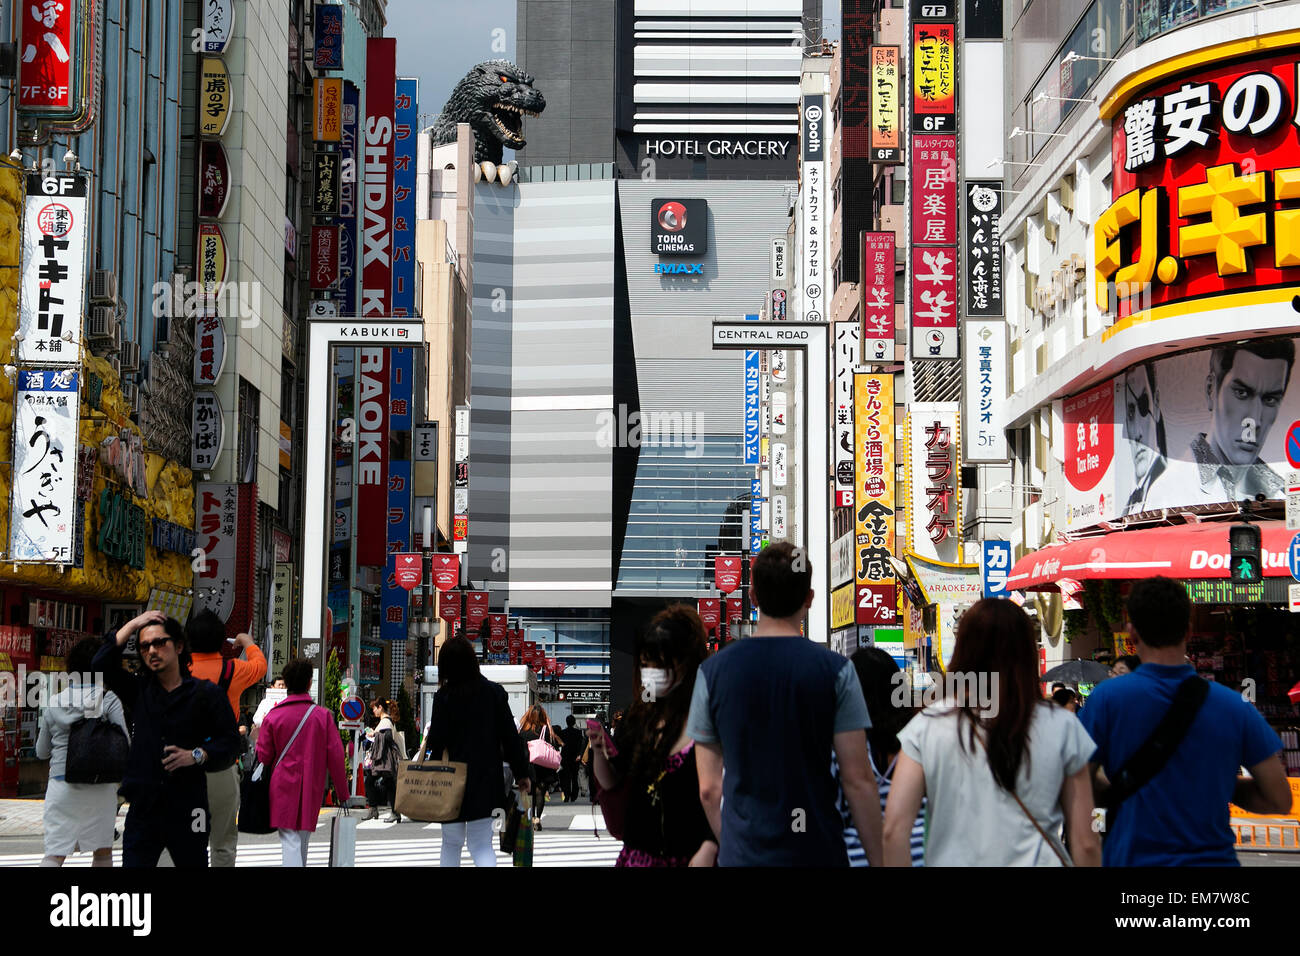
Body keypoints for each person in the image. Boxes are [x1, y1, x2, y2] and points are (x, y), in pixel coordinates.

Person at [686, 542, 882, 866]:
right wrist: (879, 860)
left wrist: (734, 845)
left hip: (743, 855)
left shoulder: (712, 673)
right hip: (818, 852)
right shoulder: (837, 671)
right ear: (810, 598)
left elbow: (708, 789)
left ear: (753, 597)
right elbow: (857, 779)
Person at [1080, 577, 1292, 866]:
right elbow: (1278, 799)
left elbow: (1077, 787)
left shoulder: (1106, 700)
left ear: (1132, 634)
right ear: (1189, 631)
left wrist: (1114, 788)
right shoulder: (1233, 706)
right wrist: (1215, 782)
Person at [883, 599, 1101, 866]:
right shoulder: (1062, 725)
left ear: (964, 650)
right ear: (1026, 652)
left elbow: (894, 830)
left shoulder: (928, 725)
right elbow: (1086, 843)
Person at [92, 610, 241, 868]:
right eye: (144, 645)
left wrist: (197, 755)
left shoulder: (206, 695)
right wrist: (135, 623)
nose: (151, 650)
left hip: (189, 804)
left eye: (160, 643)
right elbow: (100, 664)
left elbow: (230, 743)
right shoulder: (138, 691)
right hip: (144, 806)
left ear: (179, 646)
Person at [588, 605, 718, 867]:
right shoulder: (638, 718)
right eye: (645, 665)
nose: (649, 674)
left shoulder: (709, 717)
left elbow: (718, 793)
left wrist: (711, 844)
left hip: (690, 856)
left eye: (658, 664)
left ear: (684, 664)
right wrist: (600, 754)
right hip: (639, 855)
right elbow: (614, 783)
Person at [422, 637, 531, 866]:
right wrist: (522, 773)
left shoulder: (443, 697)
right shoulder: (494, 693)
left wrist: (427, 766)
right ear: (473, 662)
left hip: (449, 780)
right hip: (486, 780)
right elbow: (511, 739)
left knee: (451, 843)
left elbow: (435, 741)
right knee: (481, 844)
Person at [36, 636, 131, 867]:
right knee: (102, 851)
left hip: (61, 786)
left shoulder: (55, 701)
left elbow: (41, 752)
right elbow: (125, 744)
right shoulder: (107, 700)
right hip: (100, 785)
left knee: (55, 853)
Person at [186, 609, 266, 867]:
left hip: (183, 766)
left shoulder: (176, 671)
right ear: (222, 640)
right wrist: (248, 643)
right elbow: (261, 667)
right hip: (222, 765)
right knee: (222, 840)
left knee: (182, 836)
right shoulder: (233, 670)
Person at [832, 647, 925, 867]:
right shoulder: (921, 737)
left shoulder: (845, 749)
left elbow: (834, 815)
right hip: (921, 854)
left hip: (858, 857)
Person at [254, 658, 349, 867]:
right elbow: (336, 757)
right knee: (302, 838)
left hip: (281, 785)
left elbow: (264, 756)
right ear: (309, 683)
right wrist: (343, 793)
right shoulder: (322, 716)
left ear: (286, 683)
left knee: (290, 839)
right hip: (311, 785)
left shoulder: (273, 716)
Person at [1190, 340, 1293, 502]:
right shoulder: (1170, 489)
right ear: (1211, 390)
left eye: (1270, 399)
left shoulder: (1282, 492)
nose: (1254, 420)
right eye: (1241, 393)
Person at [1121, 361, 1169, 516]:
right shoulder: (1125, 504)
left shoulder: (1172, 482)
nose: (1138, 432)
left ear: (1155, 402)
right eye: (1130, 414)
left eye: (1143, 406)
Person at [519, 704, 562, 829]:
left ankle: (531, 817)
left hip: (529, 764)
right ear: (543, 715)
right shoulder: (546, 730)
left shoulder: (523, 730)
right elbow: (552, 746)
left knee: (529, 793)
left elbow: (519, 747)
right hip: (543, 765)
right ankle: (538, 818)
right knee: (540, 792)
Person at [364, 698, 404, 822]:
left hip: (384, 758)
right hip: (384, 757)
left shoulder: (385, 721)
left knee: (370, 781)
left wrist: (374, 735)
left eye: (374, 708)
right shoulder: (386, 721)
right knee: (389, 783)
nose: (374, 711)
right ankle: (393, 812)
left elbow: (387, 737)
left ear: (380, 707)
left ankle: (375, 809)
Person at [558, 714, 585, 802]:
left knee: (566, 777)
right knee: (574, 777)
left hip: (565, 757)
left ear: (566, 722)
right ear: (574, 722)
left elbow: (560, 744)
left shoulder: (563, 732)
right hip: (575, 757)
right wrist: (579, 754)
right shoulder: (578, 732)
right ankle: (574, 795)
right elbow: (581, 744)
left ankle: (567, 795)